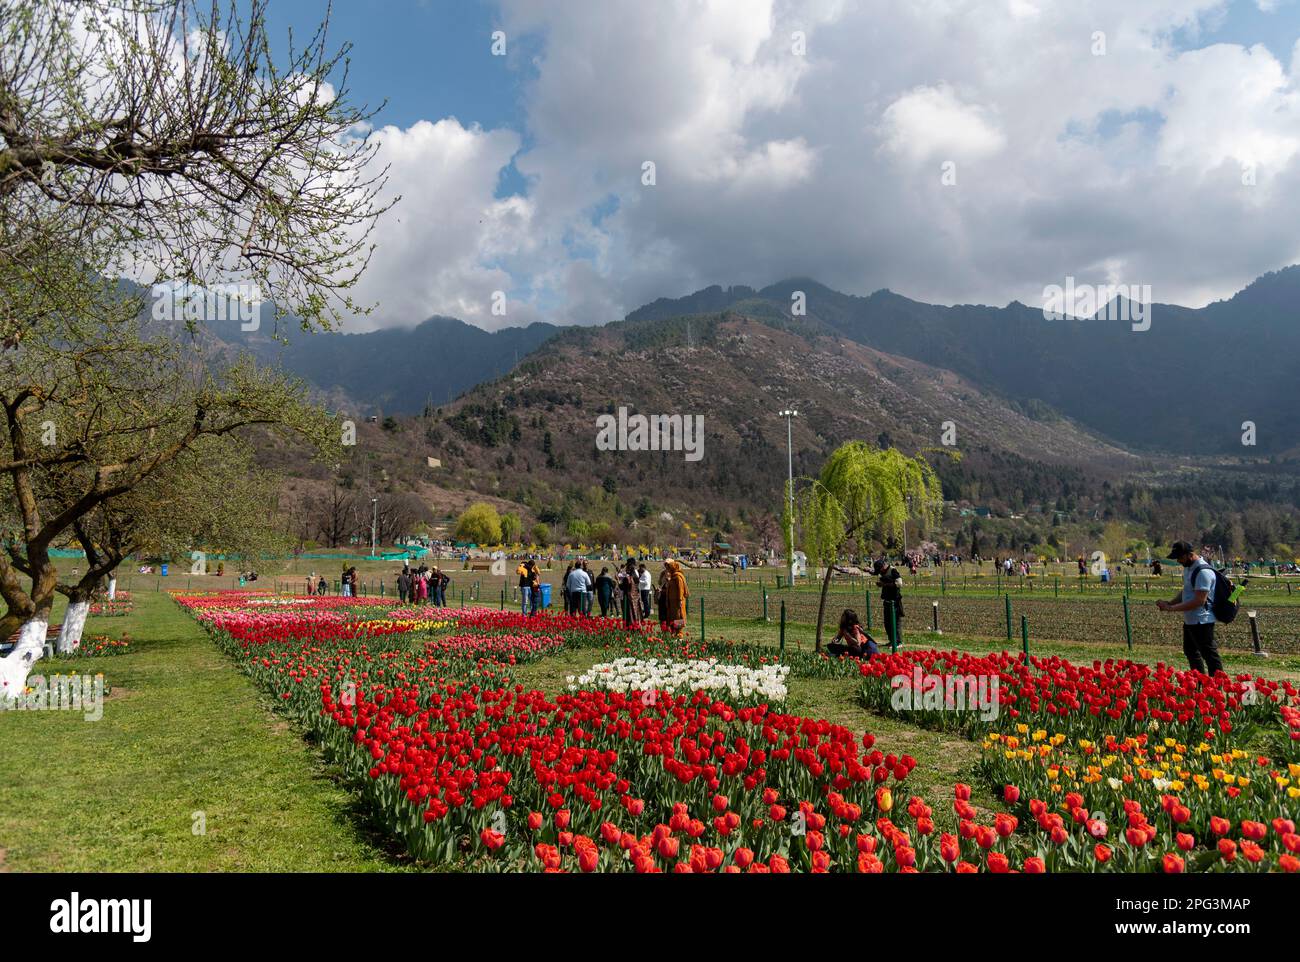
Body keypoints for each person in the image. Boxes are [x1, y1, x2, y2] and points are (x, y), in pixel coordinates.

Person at [1157, 541, 1223, 675]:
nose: (1178, 560)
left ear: (1190, 554)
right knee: (1191, 652)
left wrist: (1172, 609)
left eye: (1180, 557)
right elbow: (1187, 592)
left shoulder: (1203, 572)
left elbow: (1199, 600)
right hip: (1191, 620)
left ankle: (1217, 686)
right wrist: (1170, 603)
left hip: (1202, 621)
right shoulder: (1189, 568)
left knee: (1209, 655)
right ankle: (1199, 682)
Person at [875, 559, 904, 647]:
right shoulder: (882, 572)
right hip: (886, 601)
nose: (880, 572)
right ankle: (891, 640)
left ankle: (898, 642)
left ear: (883, 566)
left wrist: (884, 585)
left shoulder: (893, 570)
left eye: (880, 570)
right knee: (887, 623)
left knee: (895, 622)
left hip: (894, 601)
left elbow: (899, 583)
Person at [658, 558, 689, 637]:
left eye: (670, 567)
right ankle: (674, 633)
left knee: (678, 617)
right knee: (673, 617)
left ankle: (679, 634)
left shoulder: (678, 577)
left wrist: (680, 600)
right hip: (672, 602)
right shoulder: (673, 576)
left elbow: (681, 590)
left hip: (677, 602)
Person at [618, 560, 643, 628]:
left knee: (629, 613)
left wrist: (618, 580)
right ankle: (636, 625)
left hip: (628, 598)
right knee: (636, 613)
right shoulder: (636, 576)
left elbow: (622, 587)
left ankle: (630, 626)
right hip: (636, 597)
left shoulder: (627, 578)